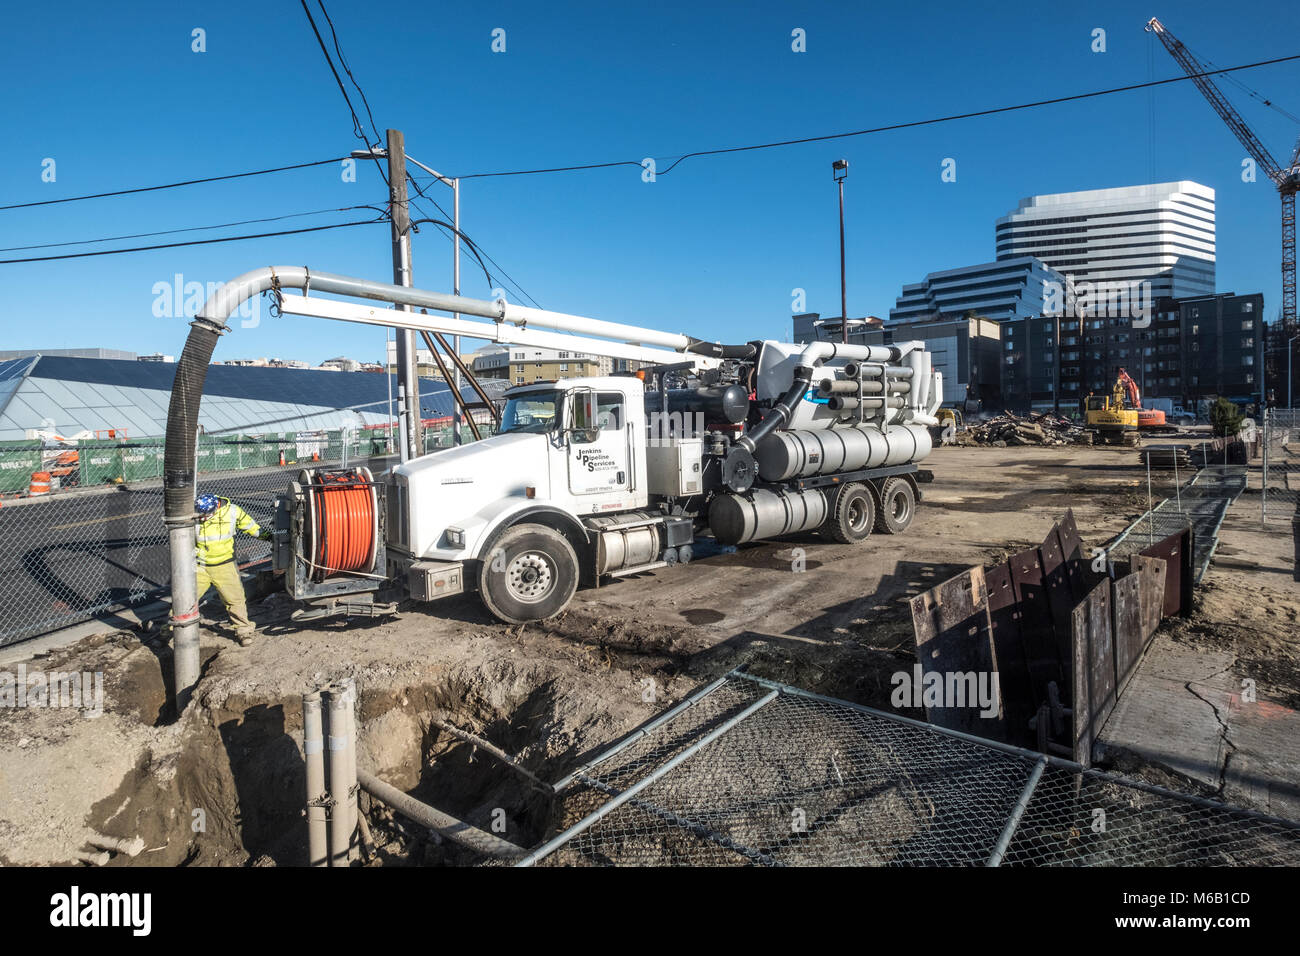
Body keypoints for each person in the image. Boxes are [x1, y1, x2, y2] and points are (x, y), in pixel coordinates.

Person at [194, 493, 270, 646]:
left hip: (224, 565)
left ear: (216, 508)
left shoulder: (233, 512)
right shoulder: (194, 514)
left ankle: (244, 631)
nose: (201, 518)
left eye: (205, 515)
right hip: (199, 566)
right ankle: (167, 630)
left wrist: (269, 536)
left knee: (235, 600)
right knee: (185, 600)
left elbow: (251, 527)